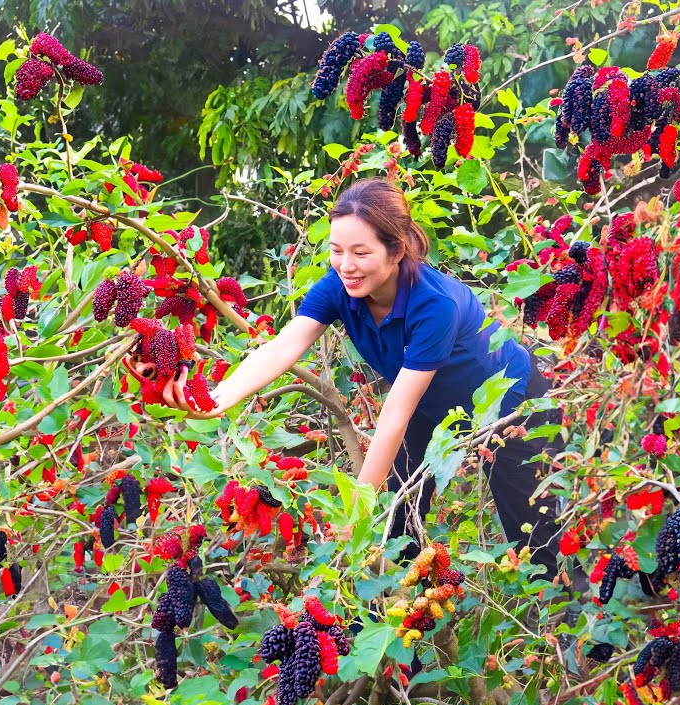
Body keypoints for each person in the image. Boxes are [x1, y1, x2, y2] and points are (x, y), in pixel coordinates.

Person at [200, 178, 567, 582]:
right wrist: (211, 400)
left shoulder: (435, 304)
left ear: (396, 250)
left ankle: (568, 629)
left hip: (511, 406)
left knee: (538, 543)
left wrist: (357, 509)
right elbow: (283, 347)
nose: (345, 265)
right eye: (337, 251)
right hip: (432, 406)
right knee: (398, 515)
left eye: (360, 252)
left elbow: (394, 414)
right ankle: (407, 611)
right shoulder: (341, 286)